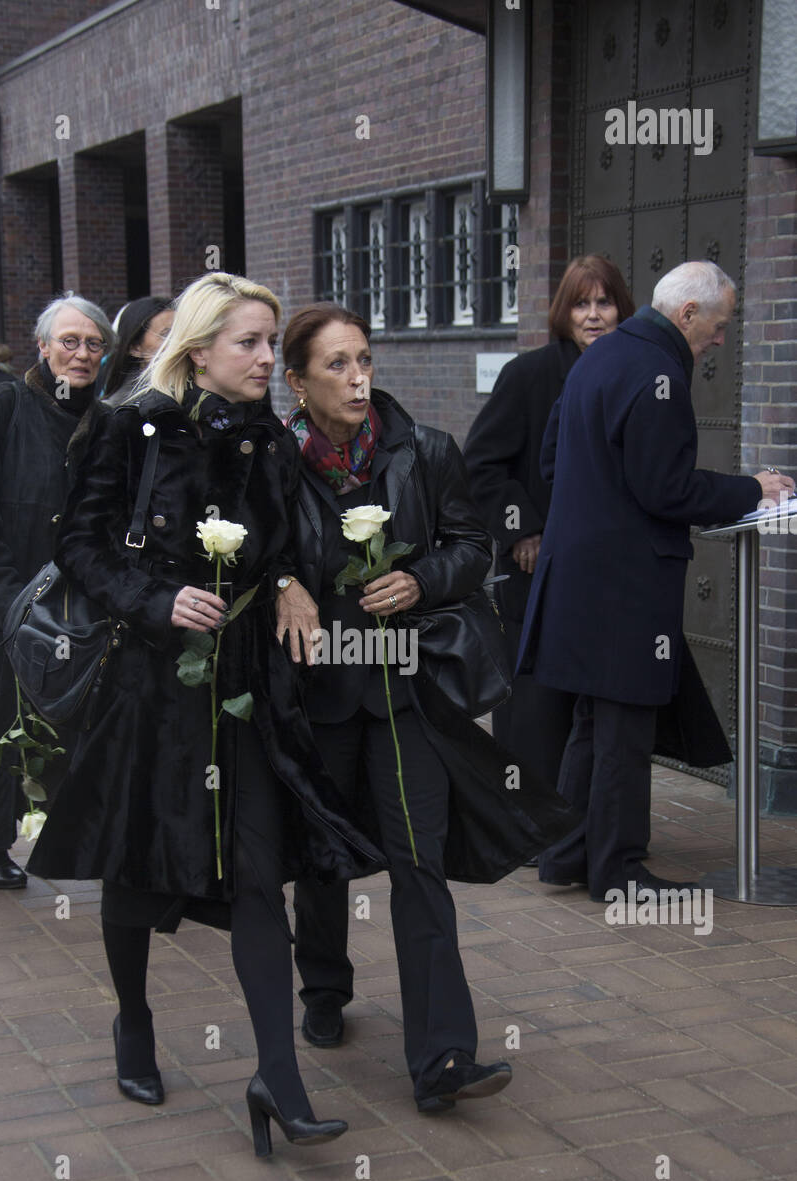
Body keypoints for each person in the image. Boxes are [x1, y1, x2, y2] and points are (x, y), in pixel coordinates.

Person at [27, 272, 383, 1157]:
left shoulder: (266, 432)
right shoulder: (125, 424)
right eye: (251, 344)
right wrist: (155, 602)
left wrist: (294, 581)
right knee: (135, 865)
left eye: (271, 342)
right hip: (153, 688)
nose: (270, 359)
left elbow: (294, 532)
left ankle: (277, 1079)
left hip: (248, 687)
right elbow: (78, 541)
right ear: (197, 351)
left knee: (260, 872)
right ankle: (134, 1021)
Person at [282, 302, 579, 1114]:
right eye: (336, 365)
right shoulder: (273, 462)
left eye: (364, 359)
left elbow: (473, 547)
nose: (357, 377)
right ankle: (324, 987)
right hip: (319, 695)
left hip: (406, 691)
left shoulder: (426, 452)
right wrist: (284, 585)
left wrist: (422, 580)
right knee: (323, 854)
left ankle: (444, 1054)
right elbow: (258, 554)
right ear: (297, 381)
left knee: (419, 860)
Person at [516, 261, 795, 903]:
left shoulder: (601, 356)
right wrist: (754, 488)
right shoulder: (659, 370)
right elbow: (666, 489)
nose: (721, 339)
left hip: (581, 572)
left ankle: (568, 855)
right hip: (626, 583)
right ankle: (619, 872)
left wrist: (598, 507)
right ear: (688, 315)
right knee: (624, 729)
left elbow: (555, 457)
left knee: (593, 719)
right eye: (719, 326)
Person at [0, 293, 114, 889]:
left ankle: (70, 839)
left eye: (95, 343)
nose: (82, 353)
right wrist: (15, 605)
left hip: (75, 621)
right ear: (42, 346)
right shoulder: (4, 407)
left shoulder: (108, 422)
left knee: (61, 736)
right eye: (70, 341)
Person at [464, 256, 634, 784]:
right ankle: (529, 820)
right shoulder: (529, 375)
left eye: (604, 302)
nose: (593, 315)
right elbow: (480, 466)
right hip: (535, 571)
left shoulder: (635, 376)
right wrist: (523, 527)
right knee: (534, 706)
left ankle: (586, 826)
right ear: (563, 312)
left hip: (606, 573)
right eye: (581, 303)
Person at [100, 296, 174, 406]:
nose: (178, 341)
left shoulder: (199, 379)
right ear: (135, 347)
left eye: (180, 332)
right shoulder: (118, 411)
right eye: (166, 335)